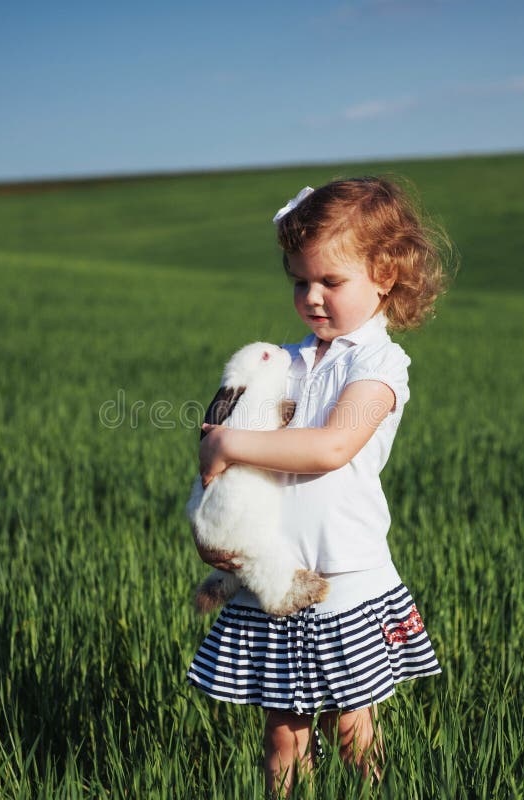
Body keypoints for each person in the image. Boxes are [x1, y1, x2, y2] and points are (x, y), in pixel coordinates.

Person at [187, 177, 450, 796]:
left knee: (350, 726)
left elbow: (332, 447)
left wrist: (226, 442)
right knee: (283, 735)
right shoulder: (280, 360)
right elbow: (228, 473)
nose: (312, 297)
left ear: (384, 274)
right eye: (300, 281)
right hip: (272, 572)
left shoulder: (380, 366)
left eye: (332, 282)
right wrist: (215, 535)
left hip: (343, 574)